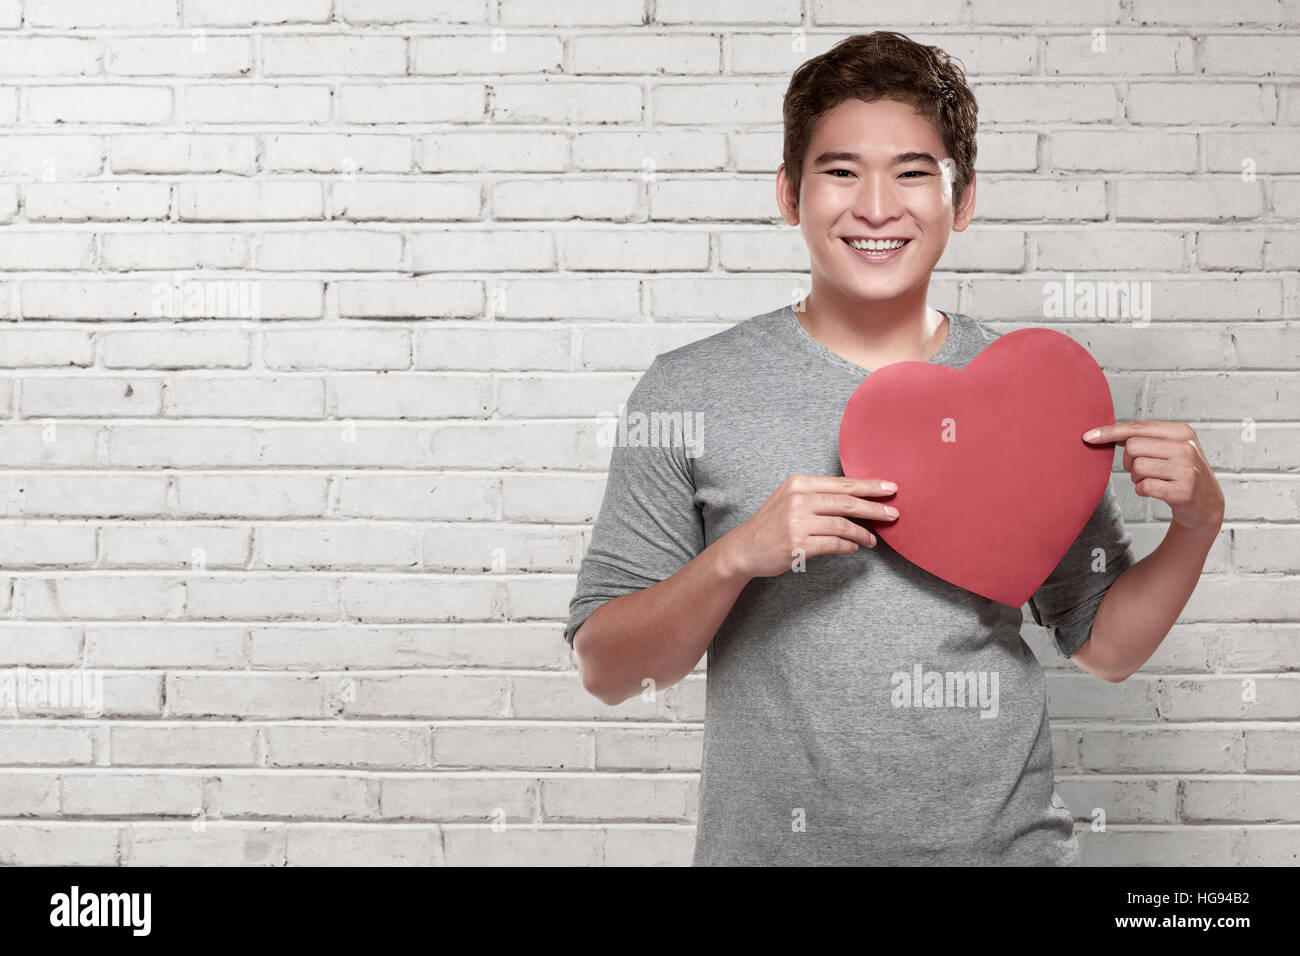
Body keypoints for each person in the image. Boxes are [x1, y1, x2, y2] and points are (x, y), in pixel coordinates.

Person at [564, 31, 1225, 866]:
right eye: (841, 172)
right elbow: (608, 671)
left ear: (964, 199)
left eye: (914, 172)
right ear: (787, 194)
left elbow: (1106, 648)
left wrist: (1197, 526)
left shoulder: (1033, 394)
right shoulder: (687, 391)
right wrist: (736, 557)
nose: (877, 206)